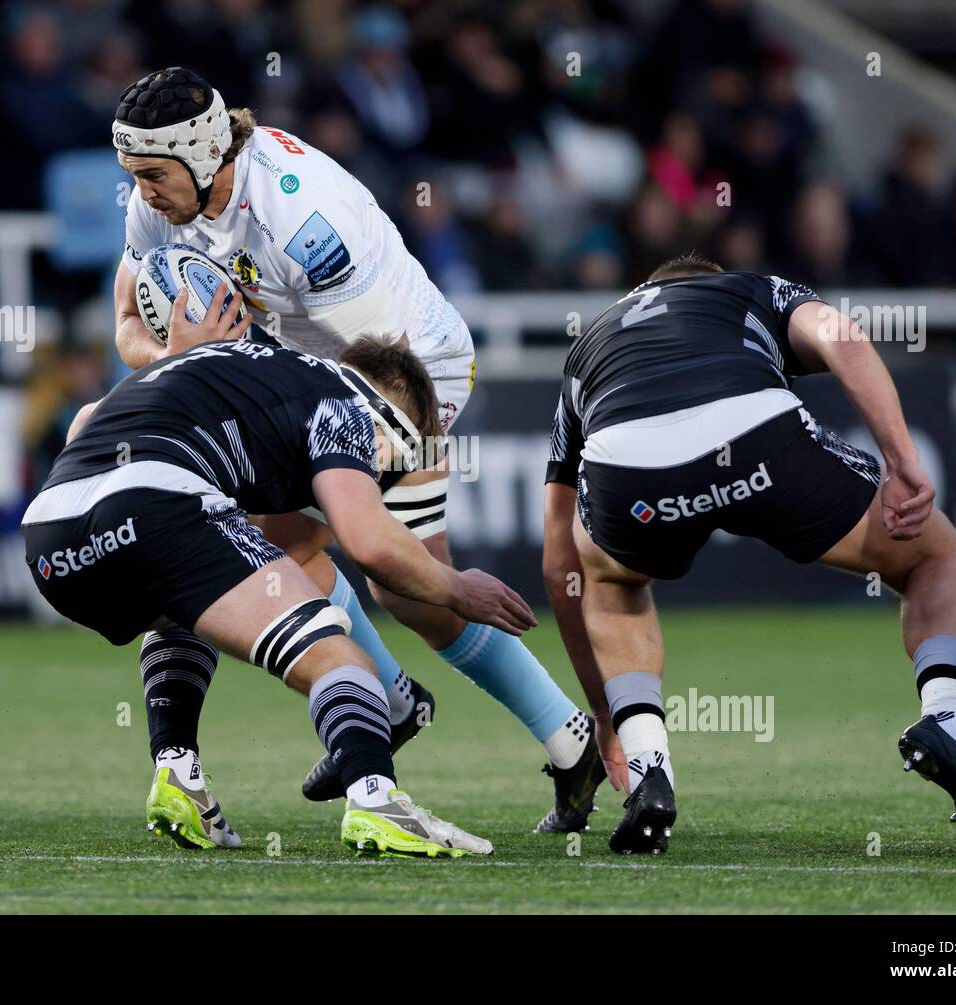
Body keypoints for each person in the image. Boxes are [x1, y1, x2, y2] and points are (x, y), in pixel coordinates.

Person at [107, 66, 604, 836]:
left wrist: (222, 368)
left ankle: (417, 708)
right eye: (131, 174)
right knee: (290, 548)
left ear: (206, 153)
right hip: (291, 373)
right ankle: (519, 730)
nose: (140, 192)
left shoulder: (306, 219)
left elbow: (371, 380)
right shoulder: (157, 198)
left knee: (397, 577)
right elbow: (129, 333)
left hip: (406, 371)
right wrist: (183, 355)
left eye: (151, 174)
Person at [541, 253, 956, 857]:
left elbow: (559, 563)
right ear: (709, 280)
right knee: (936, 557)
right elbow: (841, 336)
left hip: (628, 468)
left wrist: (602, 710)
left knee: (611, 581)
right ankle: (948, 722)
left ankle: (648, 768)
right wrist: (902, 459)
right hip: (757, 439)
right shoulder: (749, 288)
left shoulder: (588, 345)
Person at [23, 332, 535, 857]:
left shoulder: (248, 366)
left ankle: (179, 773)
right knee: (337, 654)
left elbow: (87, 418)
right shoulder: (346, 402)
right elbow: (369, 542)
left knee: (183, 604)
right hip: (154, 503)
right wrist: (456, 587)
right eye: (392, 468)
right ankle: (377, 802)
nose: (383, 478)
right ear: (389, 429)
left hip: (51, 537)